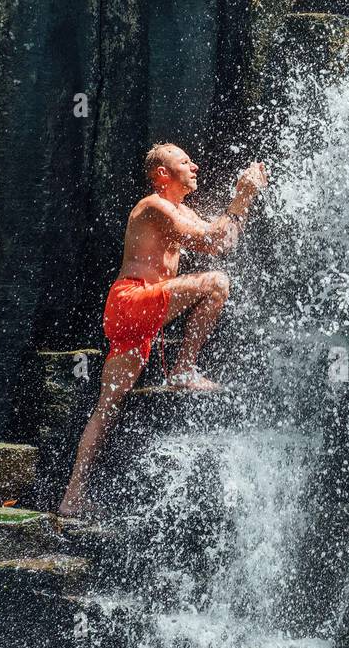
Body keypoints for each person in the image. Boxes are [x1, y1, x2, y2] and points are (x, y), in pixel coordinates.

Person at [58, 143, 269, 518]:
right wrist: (242, 196)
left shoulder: (180, 210)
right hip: (132, 301)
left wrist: (244, 201)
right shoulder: (152, 207)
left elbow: (224, 238)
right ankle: (183, 368)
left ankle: (71, 497)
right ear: (162, 175)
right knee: (217, 283)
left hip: (132, 315)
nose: (196, 166)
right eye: (184, 162)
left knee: (106, 409)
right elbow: (217, 244)